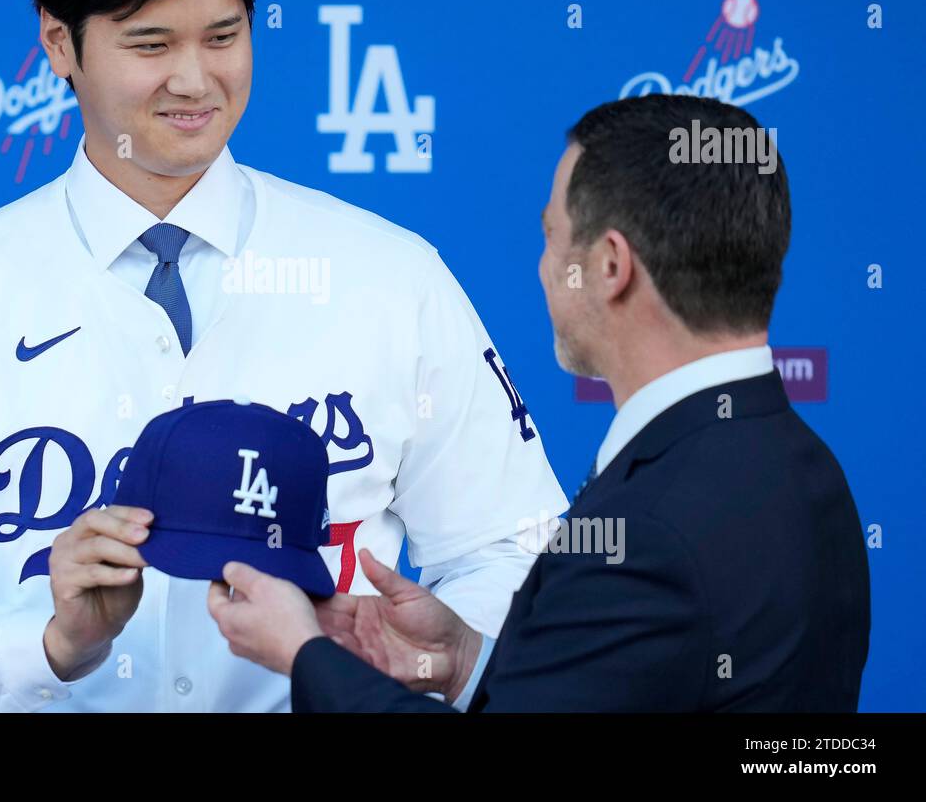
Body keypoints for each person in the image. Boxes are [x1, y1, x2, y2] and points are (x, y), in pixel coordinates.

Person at [0, 0, 567, 712]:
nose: (195, 80)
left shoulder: (390, 274)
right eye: (150, 44)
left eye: (223, 37)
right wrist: (55, 644)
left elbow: (516, 550)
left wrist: (411, 666)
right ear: (60, 42)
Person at [210, 94, 872, 712]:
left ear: (610, 267)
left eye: (553, 236)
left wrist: (306, 655)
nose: (542, 267)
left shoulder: (643, 537)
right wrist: (465, 658)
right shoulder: (811, 472)